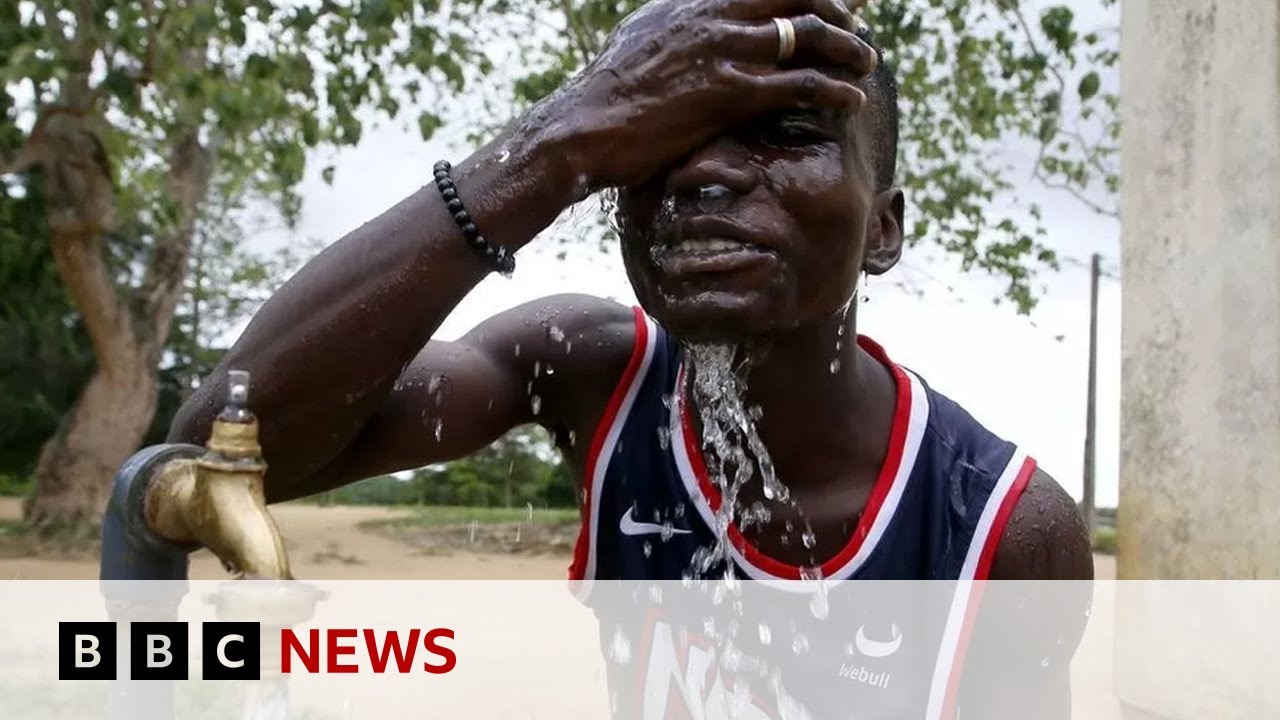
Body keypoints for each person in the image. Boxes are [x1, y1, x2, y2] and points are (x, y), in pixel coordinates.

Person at [167, 0, 1093, 716]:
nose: (698, 173)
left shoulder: (999, 533)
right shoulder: (589, 371)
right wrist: (558, 139)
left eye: (790, 135)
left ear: (883, 228)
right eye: (657, 141)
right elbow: (222, 448)